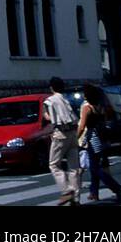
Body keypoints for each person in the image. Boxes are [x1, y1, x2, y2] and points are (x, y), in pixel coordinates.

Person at [78, 84, 121, 204]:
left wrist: (75, 138)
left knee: (95, 168)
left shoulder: (87, 108)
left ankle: (116, 187)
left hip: (93, 138)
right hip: (101, 137)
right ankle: (94, 192)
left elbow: (82, 126)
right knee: (95, 166)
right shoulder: (99, 106)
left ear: (87, 95)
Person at [42, 77, 81, 206]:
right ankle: (76, 197)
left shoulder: (50, 100)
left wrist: (44, 113)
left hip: (60, 133)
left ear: (51, 87)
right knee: (74, 167)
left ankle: (66, 191)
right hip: (73, 133)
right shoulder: (66, 98)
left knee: (54, 164)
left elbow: (49, 117)